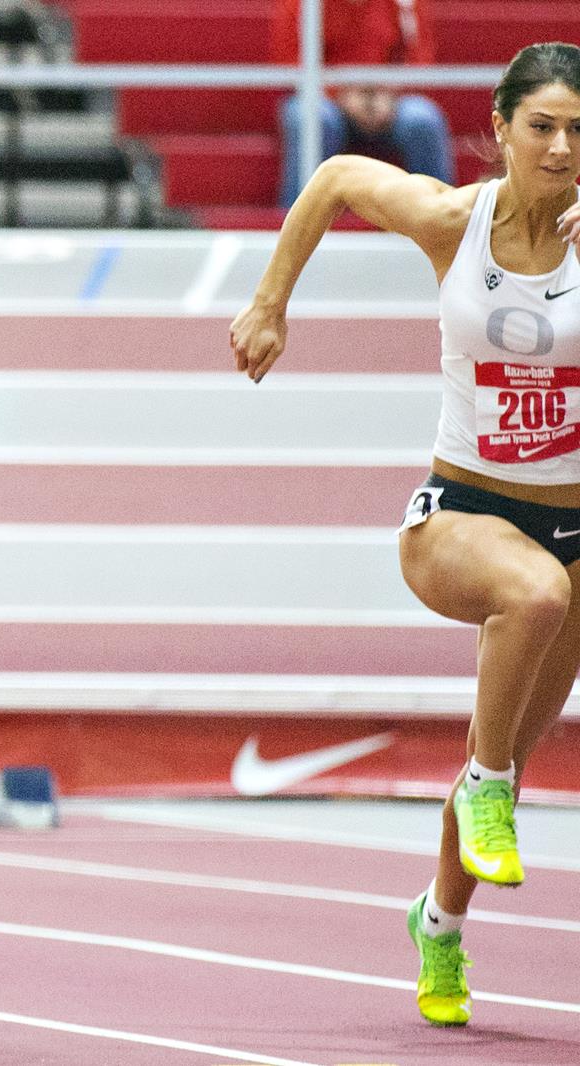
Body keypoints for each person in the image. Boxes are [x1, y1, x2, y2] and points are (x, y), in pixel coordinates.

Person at [230, 42, 580, 1028]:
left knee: (501, 738)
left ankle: (438, 920)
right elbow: (337, 175)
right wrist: (269, 303)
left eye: (578, 131)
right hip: (461, 514)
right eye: (542, 126)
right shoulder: (449, 220)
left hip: (571, 523)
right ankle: (488, 785)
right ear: (500, 131)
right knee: (535, 599)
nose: (560, 148)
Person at [273, 0, 455, 207]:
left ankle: (442, 221)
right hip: (324, 98)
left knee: (423, 120)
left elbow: (420, 56)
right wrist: (339, 93)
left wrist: (390, 92)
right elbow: (288, 60)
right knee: (313, 119)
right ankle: (295, 226)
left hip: (388, 98)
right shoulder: (300, 3)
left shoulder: (405, 3)